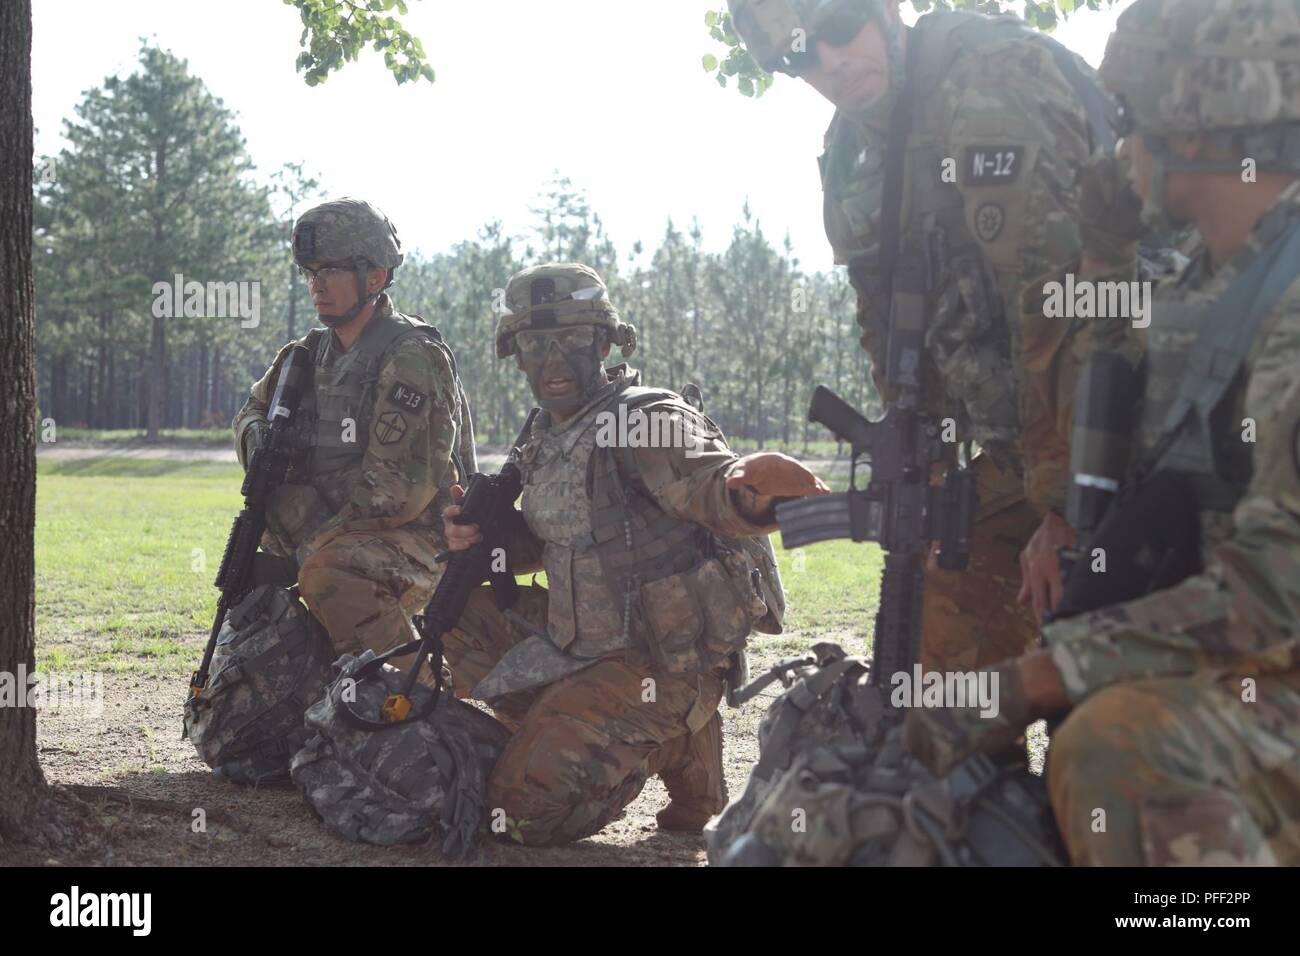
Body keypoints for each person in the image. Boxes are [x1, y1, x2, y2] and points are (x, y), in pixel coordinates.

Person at [904, 0, 1300, 865]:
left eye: (1127, 119)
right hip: (1263, 654)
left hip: (1276, 640)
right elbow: (1114, 378)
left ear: (1188, 129)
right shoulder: (1215, 277)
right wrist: (1105, 245)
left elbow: (1279, 587)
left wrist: (1039, 677)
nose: (1115, 149)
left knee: (1122, 747)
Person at [725, 0, 1145, 670]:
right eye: (799, 53)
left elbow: (1064, 301)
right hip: (1025, 448)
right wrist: (924, 458)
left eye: (840, 29)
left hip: (1130, 423)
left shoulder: (986, 84)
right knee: (937, 666)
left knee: (1101, 681)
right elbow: (884, 315)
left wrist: (1069, 508)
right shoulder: (854, 151)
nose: (830, 62)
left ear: (886, 8)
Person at [438, 261, 828, 844]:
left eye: (571, 339)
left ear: (603, 343)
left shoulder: (646, 420)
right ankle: (588, 733)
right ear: (515, 354)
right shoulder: (545, 434)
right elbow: (553, 540)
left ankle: (666, 740)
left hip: (660, 659)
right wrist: (482, 536)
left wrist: (746, 492)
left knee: (516, 814)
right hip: (577, 641)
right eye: (534, 343)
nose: (551, 360)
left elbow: (709, 486)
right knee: (458, 614)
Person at [232, 197, 475, 677]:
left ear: (375, 277)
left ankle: (416, 695)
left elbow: (395, 493)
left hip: (418, 539)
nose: (316, 284)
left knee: (330, 574)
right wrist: (260, 442)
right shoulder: (305, 355)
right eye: (310, 273)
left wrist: (306, 545)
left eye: (331, 270)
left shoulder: (410, 355)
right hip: (333, 535)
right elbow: (250, 411)